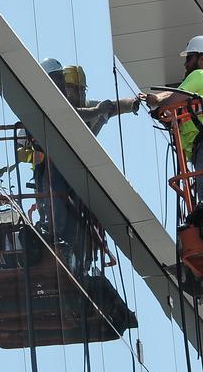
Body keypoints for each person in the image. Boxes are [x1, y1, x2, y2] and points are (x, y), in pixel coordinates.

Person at [32, 58, 144, 251]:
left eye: (80, 89)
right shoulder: (50, 103)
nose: (76, 92)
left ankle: (79, 244)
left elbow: (112, 106)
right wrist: (97, 111)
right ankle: (54, 234)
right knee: (56, 195)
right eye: (74, 88)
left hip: (73, 168)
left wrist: (133, 103)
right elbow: (71, 114)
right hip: (53, 165)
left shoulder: (85, 107)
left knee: (80, 207)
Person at [147, 35, 203, 209]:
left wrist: (158, 108)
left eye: (189, 58)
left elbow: (175, 99)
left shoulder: (200, 74)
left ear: (202, 59)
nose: (185, 64)